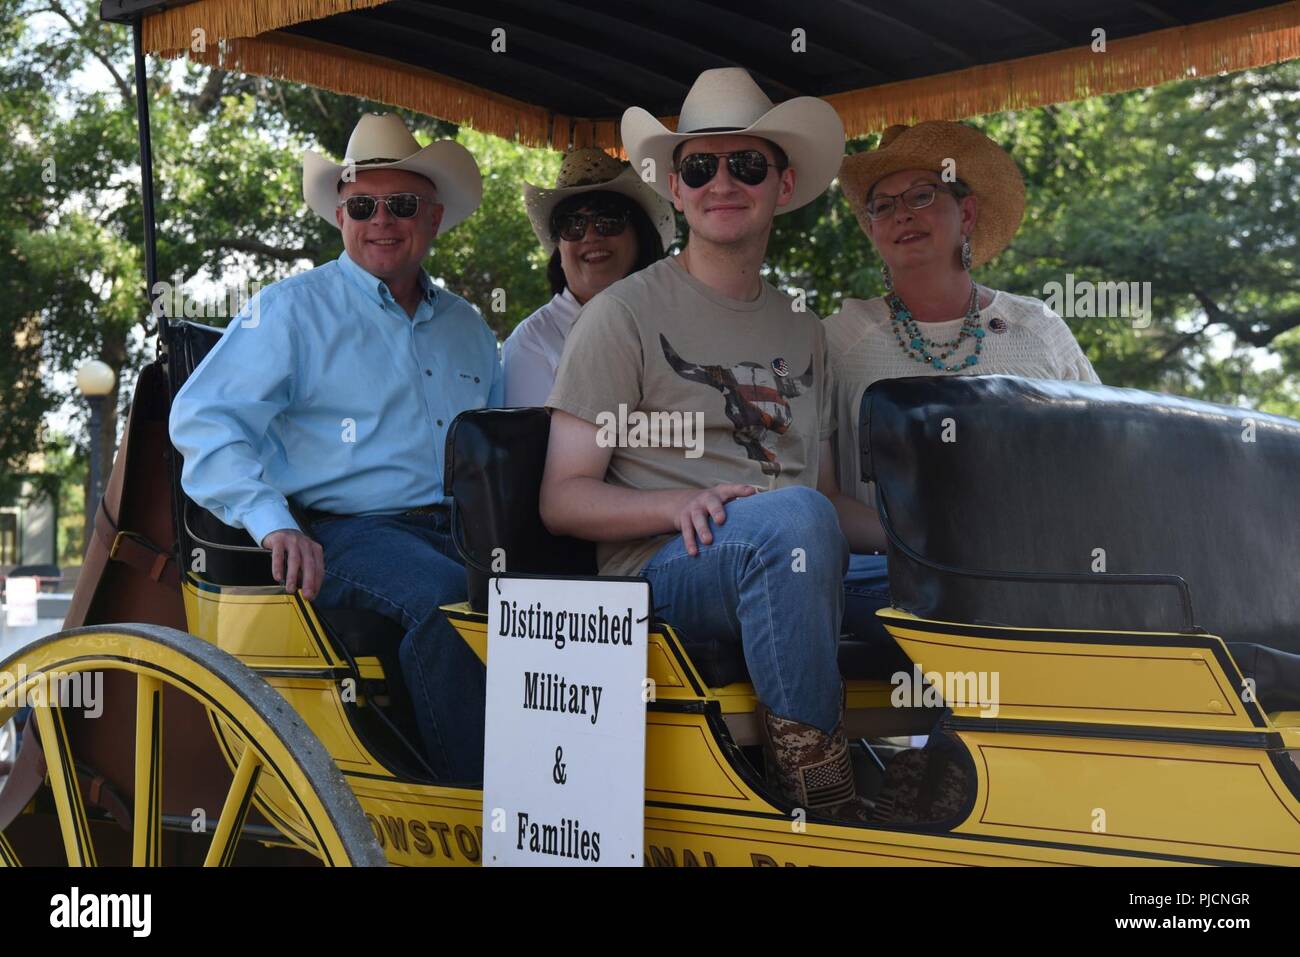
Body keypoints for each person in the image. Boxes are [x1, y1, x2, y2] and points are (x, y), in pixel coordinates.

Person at [538, 68, 872, 820]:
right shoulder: (621, 315)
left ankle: (962, 782)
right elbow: (562, 498)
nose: (723, 181)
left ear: (782, 185)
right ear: (678, 190)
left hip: (794, 547)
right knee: (790, 525)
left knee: (956, 576)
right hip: (663, 574)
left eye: (747, 164)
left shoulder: (802, 328)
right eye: (700, 167)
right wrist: (679, 502)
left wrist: (929, 542)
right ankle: (821, 801)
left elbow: (820, 497)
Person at [169, 113, 501, 782]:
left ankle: (576, 811)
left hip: (466, 531)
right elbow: (204, 418)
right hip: (350, 533)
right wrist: (272, 522)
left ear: (432, 218)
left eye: (401, 204)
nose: (382, 219)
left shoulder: (469, 327)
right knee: (445, 604)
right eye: (362, 205)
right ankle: (488, 816)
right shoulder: (291, 310)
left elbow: (497, 448)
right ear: (341, 217)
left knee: (572, 603)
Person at [827, 120, 1101, 677]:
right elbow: (819, 496)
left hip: (1036, 572)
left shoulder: (1038, 329)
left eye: (922, 195)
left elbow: (1099, 466)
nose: (902, 214)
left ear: (967, 214)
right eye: (882, 205)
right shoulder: (840, 339)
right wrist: (935, 545)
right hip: (896, 580)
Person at [503, 148, 674, 405]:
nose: (591, 235)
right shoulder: (534, 341)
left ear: (639, 235)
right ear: (559, 248)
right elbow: (532, 444)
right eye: (572, 225)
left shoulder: (673, 321)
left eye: (609, 220)